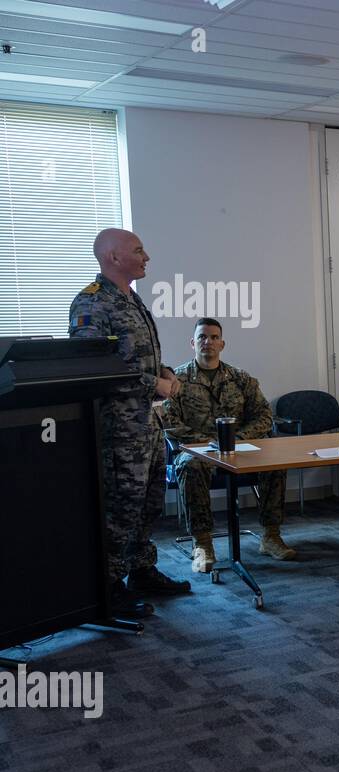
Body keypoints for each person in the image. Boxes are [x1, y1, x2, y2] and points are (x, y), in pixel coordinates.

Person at [69, 228, 190, 617]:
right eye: (139, 250)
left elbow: (137, 356)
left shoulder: (131, 299)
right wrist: (153, 383)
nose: (147, 256)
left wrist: (165, 373)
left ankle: (141, 569)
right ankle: (107, 587)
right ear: (113, 257)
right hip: (118, 429)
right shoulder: (92, 303)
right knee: (121, 507)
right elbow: (92, 367)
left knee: (149, 502)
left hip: (146, 425)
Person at [162, 318, 297, 572]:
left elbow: (264, 416)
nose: (208, 342)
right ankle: (202, 544)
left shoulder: (240, 378)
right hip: (197, 451)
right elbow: (168, 422)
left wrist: (238, 439)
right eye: (202, 337)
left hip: (237, 449)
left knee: (274, 462)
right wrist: (205, 442)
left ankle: (271, 536)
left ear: (222, 344)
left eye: (214, 337)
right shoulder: (177, 380)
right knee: (190, 466)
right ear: (192, 343)